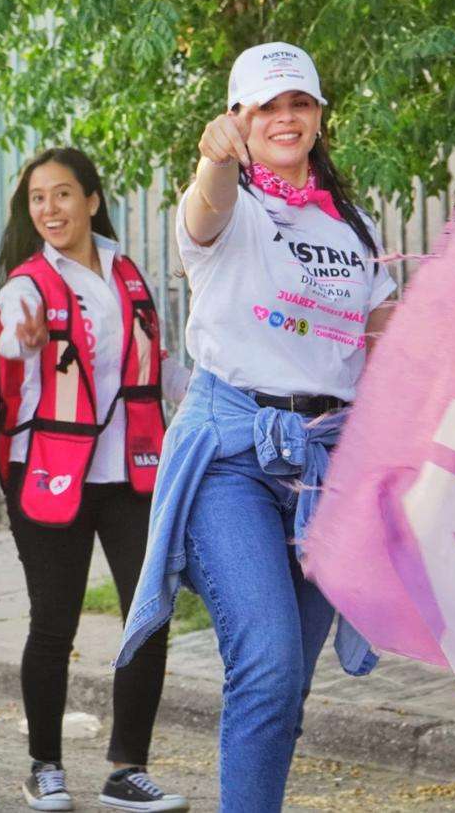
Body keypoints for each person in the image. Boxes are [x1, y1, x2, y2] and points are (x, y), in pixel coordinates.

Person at [117, 42, 396, 811]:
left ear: (318, 115)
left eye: (298, 103)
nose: (285, 118)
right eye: (265, 106)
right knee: (267, 666)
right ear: (239, 117)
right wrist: (214, 159)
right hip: (232, 455)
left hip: (324, 464)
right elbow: (204, 210)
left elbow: (384, 336)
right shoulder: (230, 204)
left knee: (287, 685)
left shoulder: (354, 223)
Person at [0, 147, 186, 812]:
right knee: (54, 624)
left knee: (146, 616)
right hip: (49, 471)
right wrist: (26, 343)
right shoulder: (24, 285)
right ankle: (43, 765)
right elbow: (9, 349)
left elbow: (156, 365)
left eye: (63, 194)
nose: (50, 209)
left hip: (132, 471)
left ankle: (127, 768)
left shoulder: (128, 272)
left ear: (92, 200)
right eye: (38, 198)